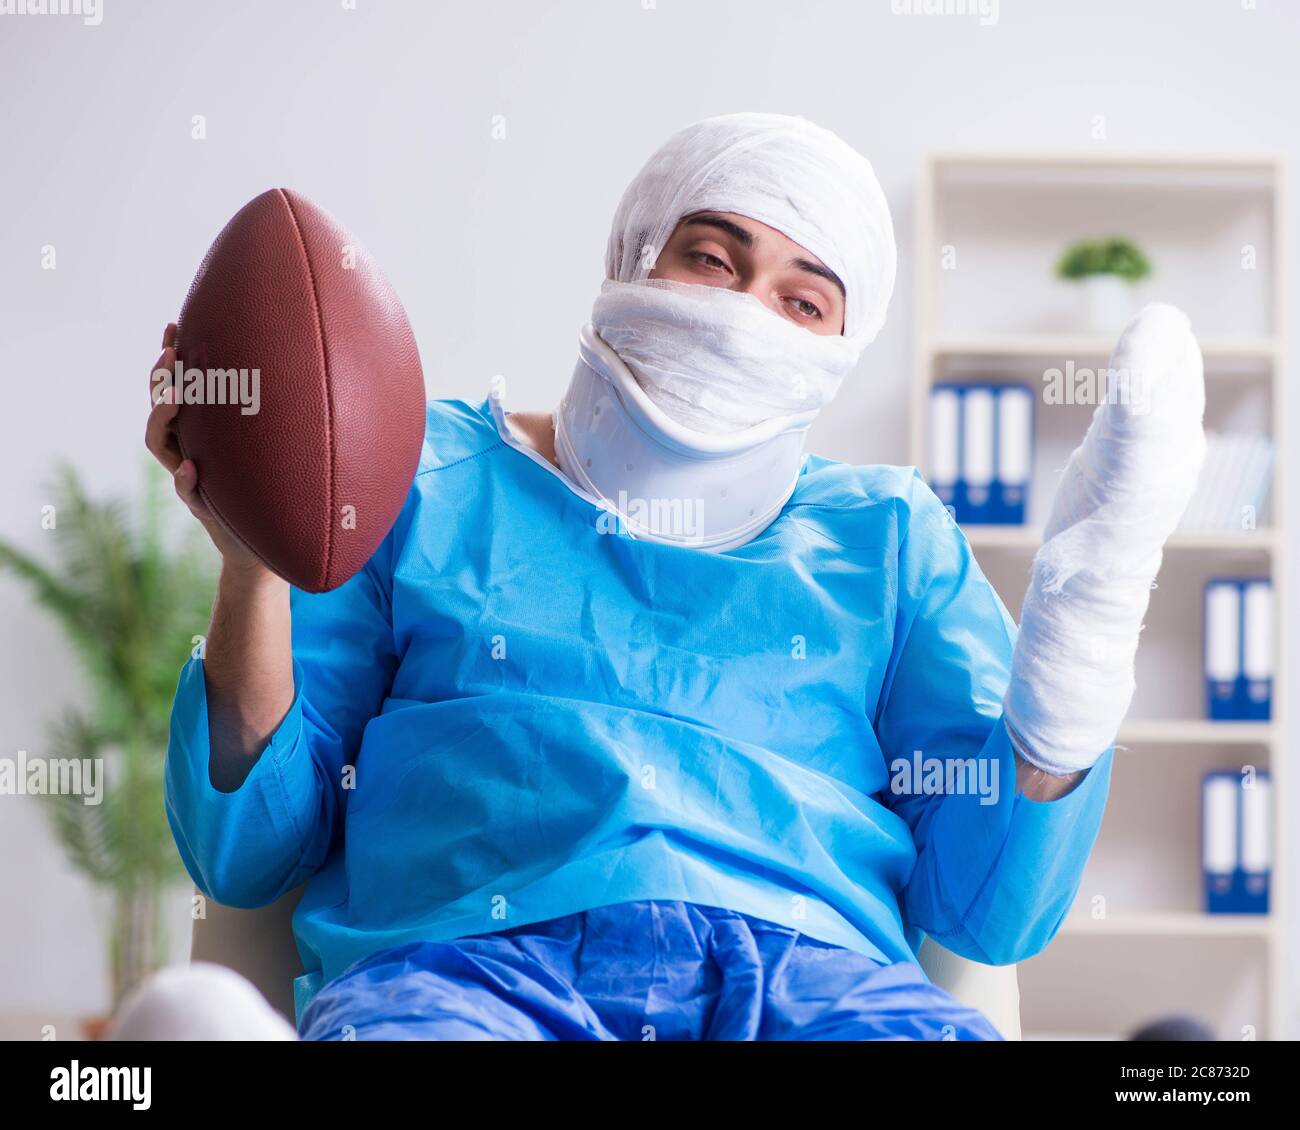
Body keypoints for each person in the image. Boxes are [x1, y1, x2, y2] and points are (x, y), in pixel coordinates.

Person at [139, 113, 1205, 1041]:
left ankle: (1090, 618)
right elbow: (254, 846)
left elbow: (985, 908)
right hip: (470, 957)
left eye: (802, 301)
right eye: (712, 257)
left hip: (810, 975)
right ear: (632, 254)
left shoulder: (885, 535)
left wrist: (1069, 666)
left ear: (839, 348)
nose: (744, 309)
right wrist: (256, 556)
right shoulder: (416, 474)